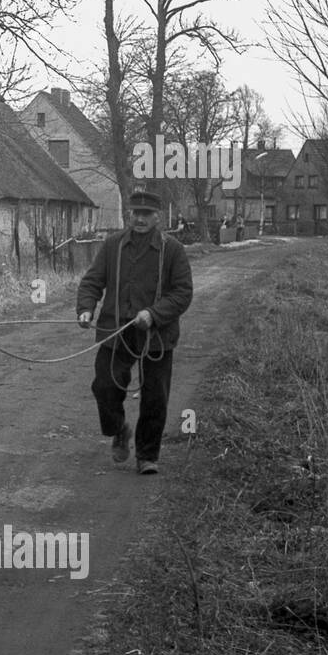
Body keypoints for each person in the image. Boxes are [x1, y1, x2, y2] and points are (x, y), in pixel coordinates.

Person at [76, 190, 193, 475]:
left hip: (157, 333)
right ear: (129, 214)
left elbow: (182, 293)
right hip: (115, 328)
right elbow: (92, 281)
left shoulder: (173, 250)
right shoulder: (113, 245)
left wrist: (153, 314)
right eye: (135, 213)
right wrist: (86, 308)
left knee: (155, 396)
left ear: (158, 217)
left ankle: (147, 456)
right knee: (104, 386)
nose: (140, 219)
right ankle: (118, 429)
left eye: (146, 214)